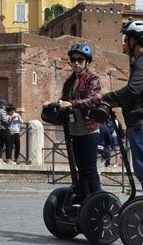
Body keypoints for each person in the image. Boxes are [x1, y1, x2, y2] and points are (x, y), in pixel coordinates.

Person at [100, 20, 143, 201]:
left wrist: (106, 97)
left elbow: (133, 90)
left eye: (127, 39)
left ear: (133, 40)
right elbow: (139, 95)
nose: (125, 43)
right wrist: (116, 104)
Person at [49, 42, 103, 206]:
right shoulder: (69, 82)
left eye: (80, 60)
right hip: (74, 129)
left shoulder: (92, 79)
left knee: (90, 168)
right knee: (79, 167)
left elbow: (91, 99)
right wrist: (53, 103)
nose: (76, 63)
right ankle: (84, 198)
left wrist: (72, 104)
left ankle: (98, 201)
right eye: (73, 60)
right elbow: (64, 101)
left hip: (88, 129)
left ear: (87, 62)